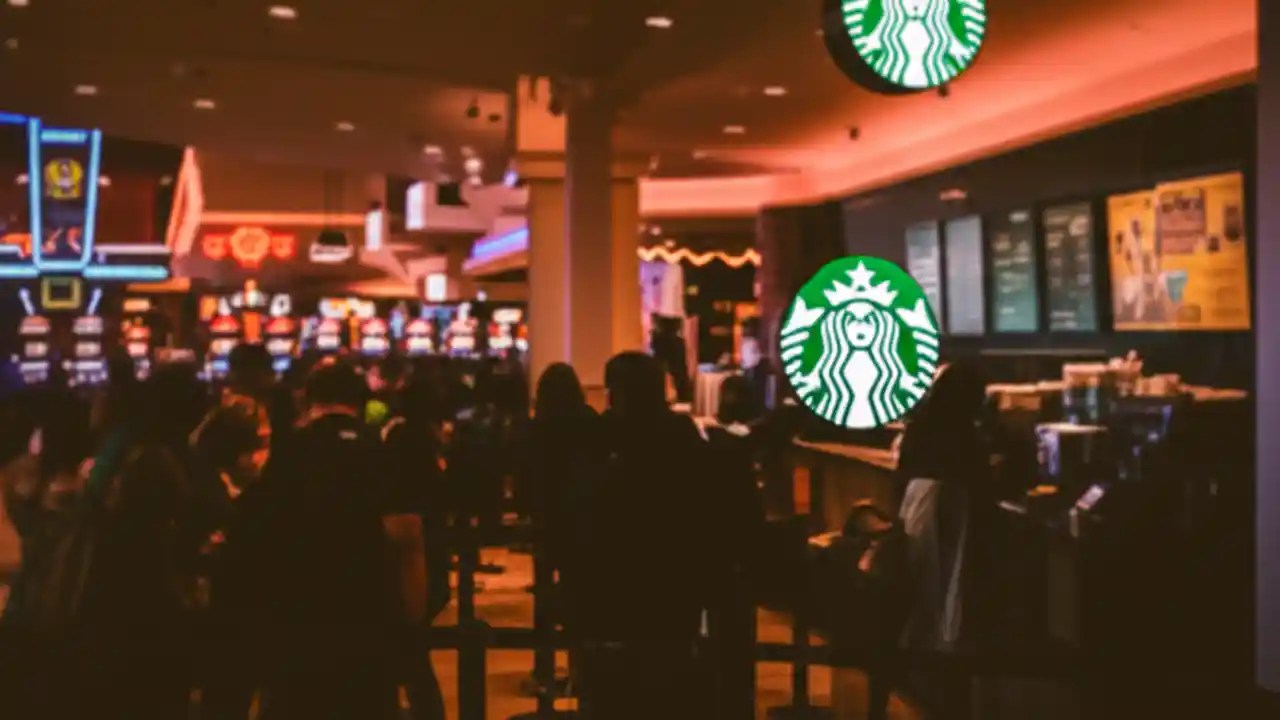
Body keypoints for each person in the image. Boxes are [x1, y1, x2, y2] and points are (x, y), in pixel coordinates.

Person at [217, 359, 410, 720]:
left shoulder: (291, 448)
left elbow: (261, 529)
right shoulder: (380, 448)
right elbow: (406, 534)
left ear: (307, 399)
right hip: (369, 607)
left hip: (301, 611)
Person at [573, 352, 715, 719]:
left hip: (615, 588)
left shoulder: (605, 437)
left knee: (615, 693)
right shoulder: (682, 435)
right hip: (675, 584)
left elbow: (585, 505)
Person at [895, 362, 990, 719]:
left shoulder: (921, 425)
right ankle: (942, 686)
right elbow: (979, 482)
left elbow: (903, 472)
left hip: (916, 509)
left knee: (923, 595)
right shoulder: (965, 432)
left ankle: (919, 680)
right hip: (948, 513)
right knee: (948, 601)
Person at [382, 374, 451, 720]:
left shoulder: (400, 439)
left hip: (412, 555)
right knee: (412, 651)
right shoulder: (432, 440)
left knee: (408, 651)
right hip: (435, 552)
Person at [701, 375, 766, 719]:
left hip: (713, 558)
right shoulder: (742, 448)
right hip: (738, 562)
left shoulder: (711, 442)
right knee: (737, 644)